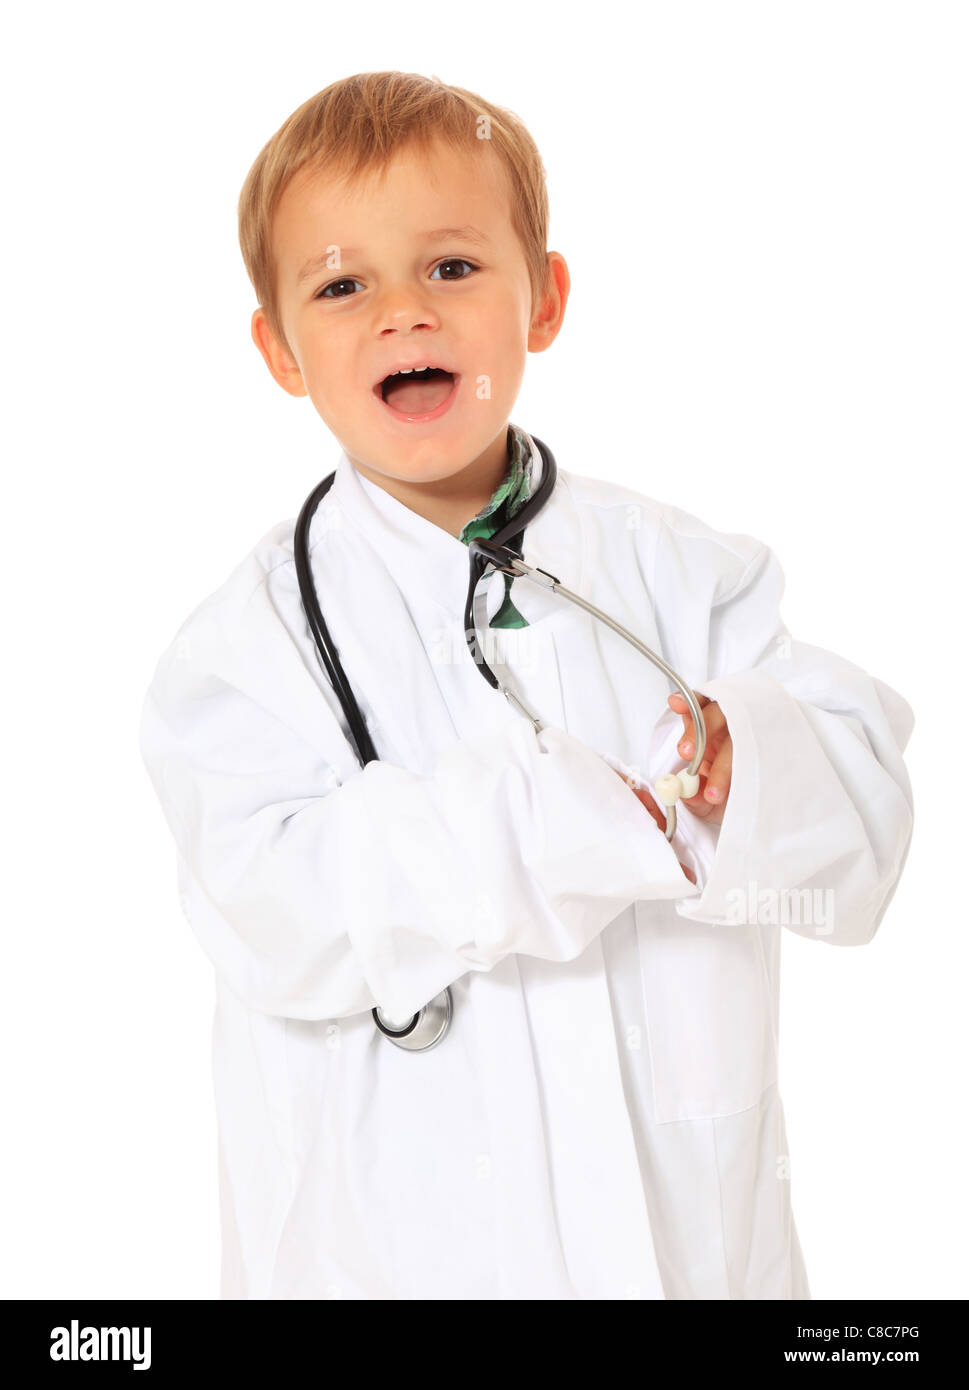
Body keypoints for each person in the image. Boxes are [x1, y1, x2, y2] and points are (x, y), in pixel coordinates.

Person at [138, 71, 915, 1301]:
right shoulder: (246, 653)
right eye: (343, 285)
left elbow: (862, 827)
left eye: (452, 268)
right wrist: (554, 823)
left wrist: (744, 765)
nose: (404, 314)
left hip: (687, 1255)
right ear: (280, 349)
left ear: (544, 299)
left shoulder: (676, 574)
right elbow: (271, 913)